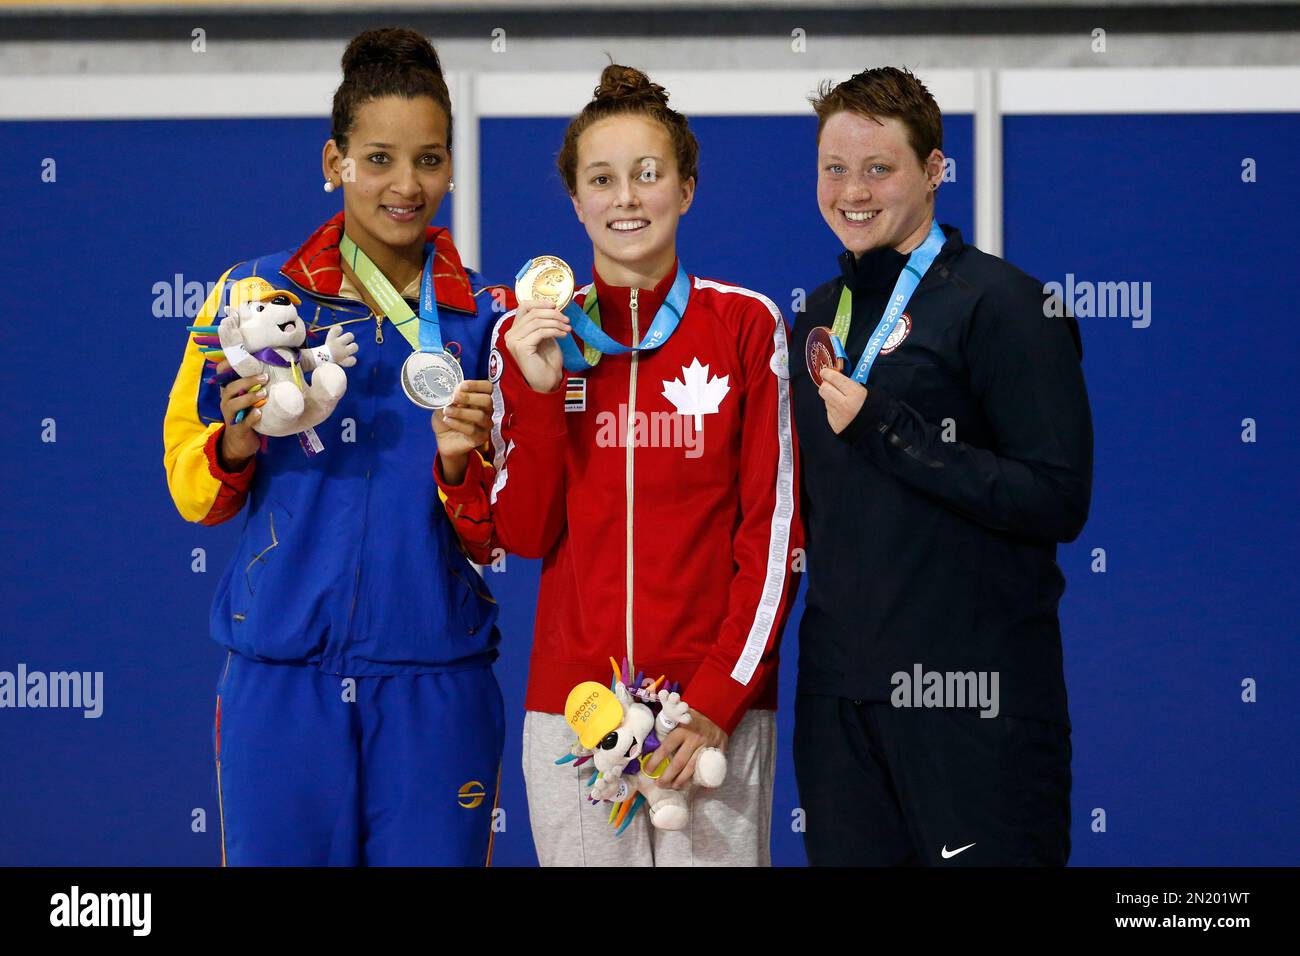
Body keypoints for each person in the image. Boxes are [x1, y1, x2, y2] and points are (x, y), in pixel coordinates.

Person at [433, 65, 803, 866]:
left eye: (648, 174)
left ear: (688, 187)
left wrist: (717, 699)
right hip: (575, 712)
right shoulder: (530, 337)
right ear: (575, 200)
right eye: (602, 179)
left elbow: (772, 539)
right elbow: (525, 533)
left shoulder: (743, 325)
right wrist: (538, 394)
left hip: (709, 712)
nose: (626, 198)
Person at [162, 27, 510, 866]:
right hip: (281, 679)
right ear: (335, 161)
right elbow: (192, 492)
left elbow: (503, 535)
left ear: (452, 167)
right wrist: (238, 438)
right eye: (379, 157)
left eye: (429, 160)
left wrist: (463, 465)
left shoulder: (487, 321)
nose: (406, 184)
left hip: (437, 680)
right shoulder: (249, 297)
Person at [790, 67, 1093, 866]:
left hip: (976, 709)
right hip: (842, 708)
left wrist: (887, 427)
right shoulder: (817, 318)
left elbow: (1056, 497)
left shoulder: (1009, 306)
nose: (851, 190)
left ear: (933, 172)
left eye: (878, 168)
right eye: (834, 168)